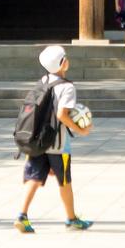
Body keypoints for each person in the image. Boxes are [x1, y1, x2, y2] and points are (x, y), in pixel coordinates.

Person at [16, 45, 91, 232]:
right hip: (58, 144)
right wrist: (81, 130)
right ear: (62, 63)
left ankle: (22, 215)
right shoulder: (66, 87)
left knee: (33, 178)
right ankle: (71, 218)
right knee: (64, 180)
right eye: (65, 57)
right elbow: (61, 115)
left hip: (38, 141)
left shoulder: (43, 81)